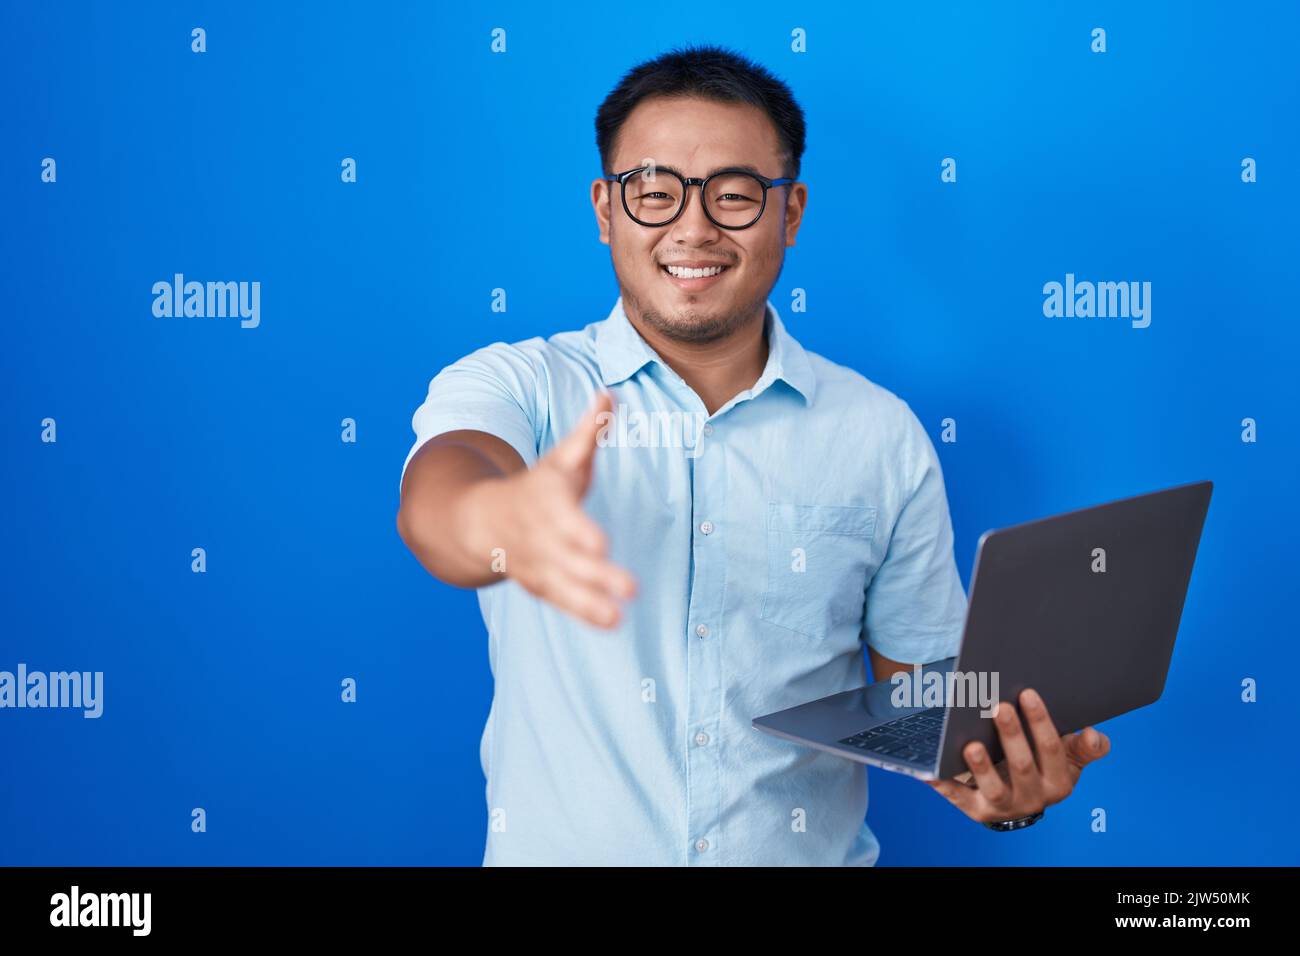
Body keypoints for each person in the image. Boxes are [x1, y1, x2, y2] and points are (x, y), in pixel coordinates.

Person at [396, 44, 1110, 865]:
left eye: (733, 196)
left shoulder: (879, 432)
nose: (692, 228)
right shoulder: (520, 384)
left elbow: (928, 704)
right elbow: (438, 507)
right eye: (654, 193)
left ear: (790, 212)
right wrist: (504, 518)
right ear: (604, 209)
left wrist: (997, 784)